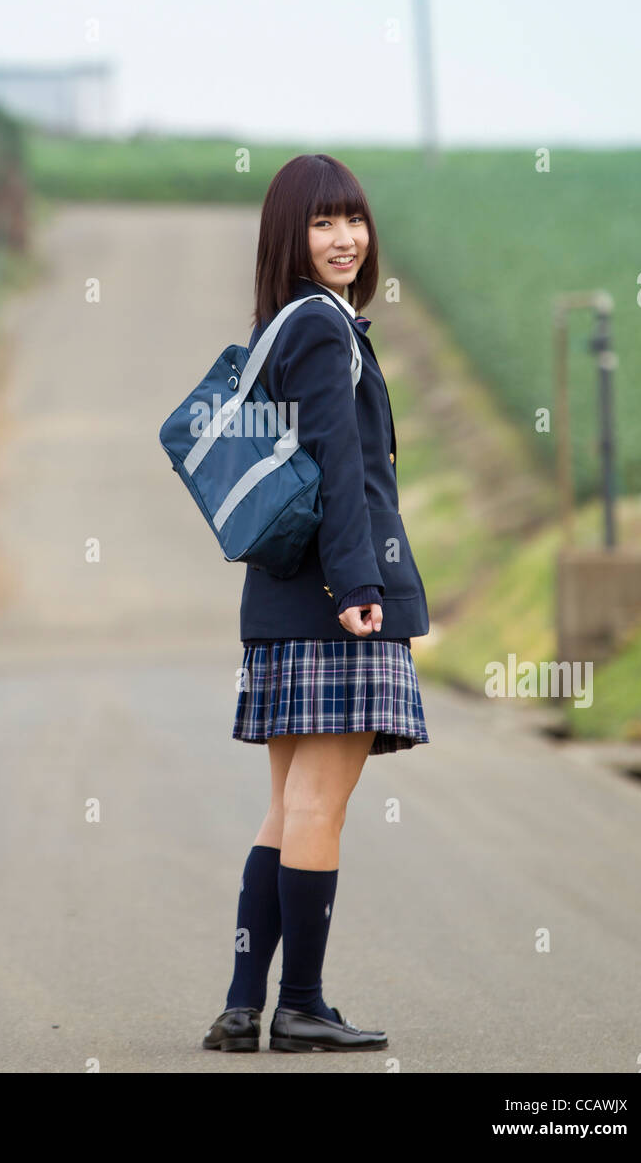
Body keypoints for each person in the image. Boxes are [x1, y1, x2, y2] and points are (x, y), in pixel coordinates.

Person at [202, 153, 430, 1054]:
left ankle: (240, 1008)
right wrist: (361, 587)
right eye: (323, 223)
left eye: (354, 220)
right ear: (290, 238)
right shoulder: (322, 330)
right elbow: (341, 467)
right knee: (318, 807)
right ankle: (300, 1005)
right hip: (339, 599)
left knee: (288, 805)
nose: (346, 239)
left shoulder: (279, 325)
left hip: (281, 602)